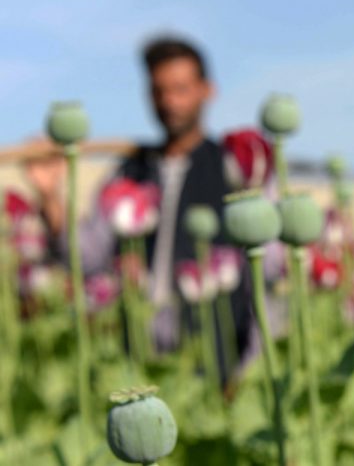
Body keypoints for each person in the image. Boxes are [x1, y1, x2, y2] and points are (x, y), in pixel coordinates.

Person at [26, 36, 252, 383]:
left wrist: (248, 368)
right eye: (159, 91)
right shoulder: (128, 172)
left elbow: (263, 276)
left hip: (215, 364)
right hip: (135, 365)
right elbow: (86, 256)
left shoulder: (234, 169)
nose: (169, 102)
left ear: (207, 91)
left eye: (180, 89)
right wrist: (50, 194)